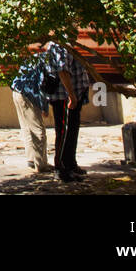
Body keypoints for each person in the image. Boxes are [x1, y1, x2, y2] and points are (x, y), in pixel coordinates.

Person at [43, 40, 91, 182]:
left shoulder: (66, 41)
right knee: (63, 132)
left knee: (72, 130)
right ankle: (60, 168)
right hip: (63, 97)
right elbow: (62, 70)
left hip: (73, 95)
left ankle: (70, 163)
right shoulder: (59, 43)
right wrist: (71, 95)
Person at [10, 51, 51, 173]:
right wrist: (45, 107)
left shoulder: (35, 57)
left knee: (28, 129)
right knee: (38, 131)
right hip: (28, 94)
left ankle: (32, 160)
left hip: (17, 91)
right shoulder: (48, 62)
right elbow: (42, 85)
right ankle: (41, 165)